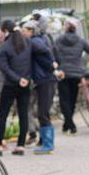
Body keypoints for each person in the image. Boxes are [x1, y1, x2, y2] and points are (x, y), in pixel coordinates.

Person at [54, 20, 89, 134]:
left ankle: (70, 124)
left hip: (63, 73)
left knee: (64, 100)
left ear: (66, 28)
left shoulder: (58, 40)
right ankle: (68, 124)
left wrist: (57, 63)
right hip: (77, 73)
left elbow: (53, 52)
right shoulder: (81, 41)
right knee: (72, 99)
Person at [0, 19, 33, 156]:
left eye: (1, 32)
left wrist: (17, 79)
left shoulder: (5, 46)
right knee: (23, 114)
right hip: (25, 84)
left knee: (2, 115)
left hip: (10, 84)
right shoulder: (28, 42)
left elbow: (4, 67)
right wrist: (25, 79)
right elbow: (32, 62)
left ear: (5, 31)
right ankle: (20, 146)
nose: (0, 35)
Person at [26, 20, 61, 154]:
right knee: (43, 112)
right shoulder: (39, 40)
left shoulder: (35, 42)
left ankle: (48, 144)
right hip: (44, 80)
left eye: (25, 30)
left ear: (31, 30)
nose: (23, 32)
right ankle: (45, 142)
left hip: (45, 80)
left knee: (43, 113)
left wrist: (52, 65)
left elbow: (45, 55)